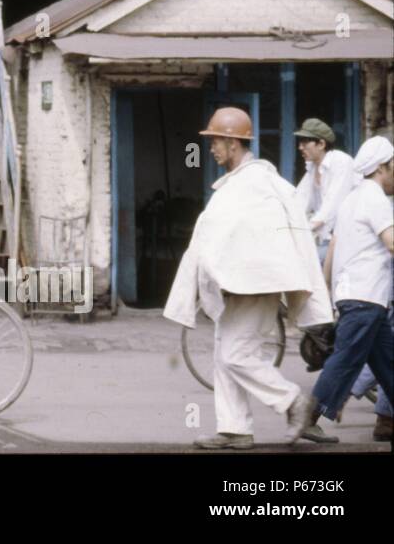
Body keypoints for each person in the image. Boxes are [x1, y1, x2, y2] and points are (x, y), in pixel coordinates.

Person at [163, 107, 332, 449]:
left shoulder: (253, 183)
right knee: (222, 352)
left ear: (232, 143)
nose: (211, 149)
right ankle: (234, 427)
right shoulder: (245, 183)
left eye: (215, 142)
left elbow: (261, 239)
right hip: (242, 286)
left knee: (235, 355)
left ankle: (292, 400)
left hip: (256, 287)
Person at [297, 136, 394, 442]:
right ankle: (308, 418)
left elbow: (335, 246)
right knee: (346, 357)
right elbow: (392, 242)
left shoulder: (352, 199)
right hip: (366, 296)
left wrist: (327, 289)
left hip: (361, 297)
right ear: (382, 168)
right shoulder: (375, 198)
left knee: (389, 363)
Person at [292, 118, 357, 264]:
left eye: (305, 142)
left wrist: (304, 228)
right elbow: (298, 202)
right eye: (300, 142)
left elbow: (331, 206)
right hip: (327, 239)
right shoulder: (312, 167)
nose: (300, 147)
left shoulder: (341, 162)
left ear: (321, 144)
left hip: (349, 239)